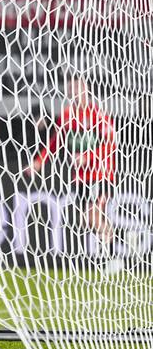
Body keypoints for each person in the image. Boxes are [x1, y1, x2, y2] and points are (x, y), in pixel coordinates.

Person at [26, 74, 121, 272]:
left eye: (78, 90)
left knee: (92, 216)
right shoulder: (68, 115)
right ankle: (110, 252)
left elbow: (111, 143)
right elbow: (56, 141)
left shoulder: (98, 114)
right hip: (80, 177)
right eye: (71, 91)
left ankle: (114, 256)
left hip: (101, 174)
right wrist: (39, 161)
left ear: (86, 91)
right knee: (87, 221)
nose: (75, 94)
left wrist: (88, 156)